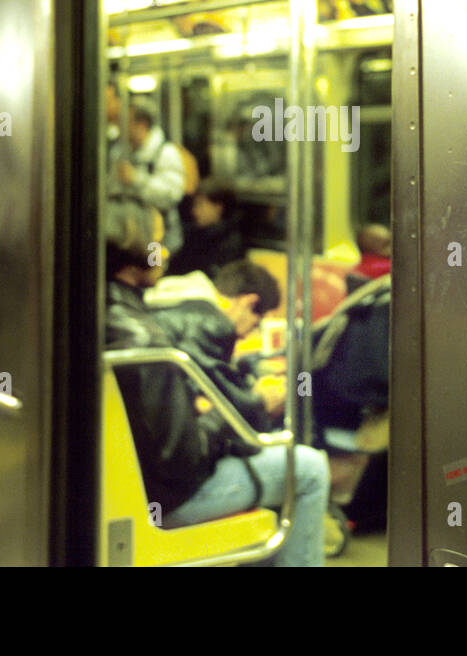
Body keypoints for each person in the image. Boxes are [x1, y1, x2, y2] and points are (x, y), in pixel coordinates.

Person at [104, 195, 328, 566]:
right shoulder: (143, 340)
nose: (166, 253)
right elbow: (182, 462)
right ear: (133, 246)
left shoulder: (106, 313)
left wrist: (195, 409)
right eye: (157, 243)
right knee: (309, 468)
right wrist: (219, 418)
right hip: (166, 500)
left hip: (126, 486)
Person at [150, 260, 285, 431]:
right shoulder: (212, 323)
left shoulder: (170, 303)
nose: (244, 336)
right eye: (255, 325)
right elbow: (223, 399)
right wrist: (261, 400)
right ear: (249, 302)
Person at [112, 99, 186, 254]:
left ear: (142, 124)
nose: (120, 126)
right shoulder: (119, 153)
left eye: (125, 121)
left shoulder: (165, 153)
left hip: (159, 239)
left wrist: (136, 179)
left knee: (154, 268)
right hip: (128, 238)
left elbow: (172, 195)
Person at [167, 178, 246, 279]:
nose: (194, 211)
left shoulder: (232, 243)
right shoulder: (194, 235)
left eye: (200, 204)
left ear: (218, 208)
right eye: (194, 205)